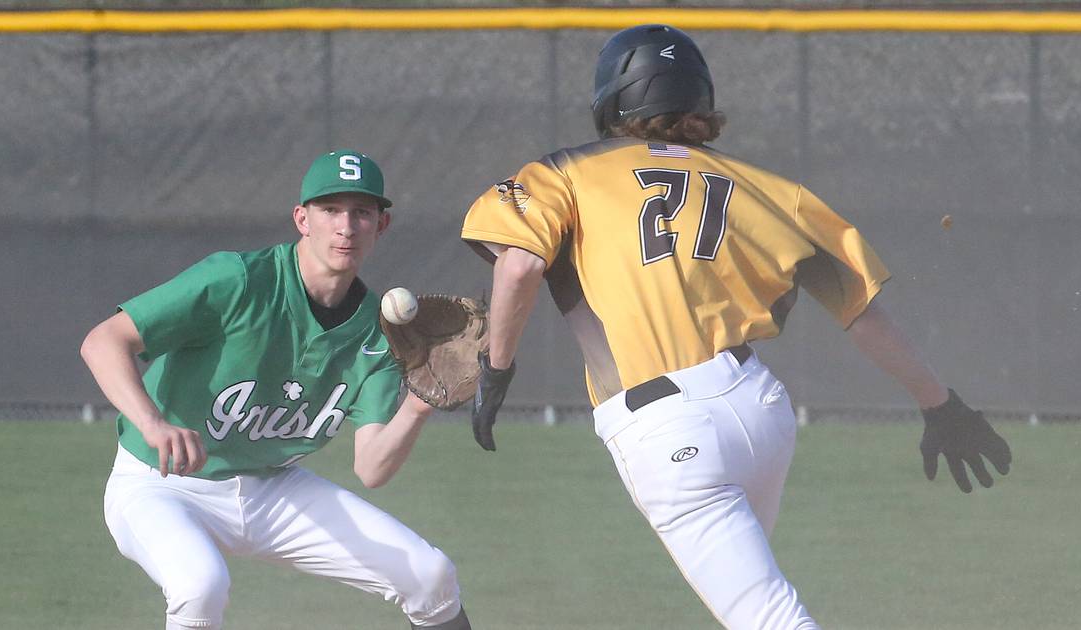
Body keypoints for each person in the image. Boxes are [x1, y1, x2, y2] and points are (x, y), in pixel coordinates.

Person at [461, 24, 1011, 630]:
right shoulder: (770, 190)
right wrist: (939, 404)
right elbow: (860, 313)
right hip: (759, 408)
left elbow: (520, 268)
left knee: (769, 618)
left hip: (665, 429)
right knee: (749, 606)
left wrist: (496, 368)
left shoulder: (565, 171)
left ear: (611, 98)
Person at [81, 150, 472, 630]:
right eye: (330, 210)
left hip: (272, 487)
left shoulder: (378, 334)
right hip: (161, 484)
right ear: (302, 219)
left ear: (381, 224)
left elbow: (371, 467)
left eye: (361, 212)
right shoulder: (238, 281)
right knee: (200, 585)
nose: (346, 226)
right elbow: (103, 341)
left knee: (430, 576)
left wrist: (419, 404)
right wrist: (152, 423)